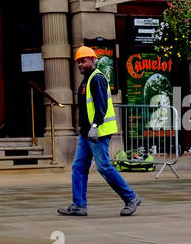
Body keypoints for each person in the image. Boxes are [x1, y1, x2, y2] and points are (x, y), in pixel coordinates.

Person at [58, 46, 142, 217]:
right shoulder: (87, 79)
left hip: (98, 132)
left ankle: (131, 198)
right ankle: (79, 205)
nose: (79, 64)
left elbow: (101, 104)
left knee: (103, 166)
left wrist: (95, 126)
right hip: (86, 133)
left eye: (83, 60)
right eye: (78, 61)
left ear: (92, 60)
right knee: (79, 167)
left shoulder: (97, 78)